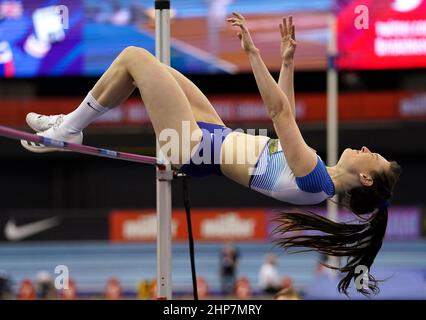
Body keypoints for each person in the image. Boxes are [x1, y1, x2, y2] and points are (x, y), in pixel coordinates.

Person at [20, 13, 401, 295]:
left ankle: (71, 125)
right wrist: (286, 62)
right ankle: (69, 121)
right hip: (212, 133)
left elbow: (280, 112)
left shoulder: (316, 179)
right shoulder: (316, 172)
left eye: (374, 156)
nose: (367, 148)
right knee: (154, 68)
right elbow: (287, 117)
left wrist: (252, 52)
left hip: (193, 148)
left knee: (136, 57)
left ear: (366, 178)